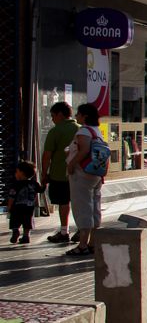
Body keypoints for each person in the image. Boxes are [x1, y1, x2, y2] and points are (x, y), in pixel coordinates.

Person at [65, 104, 108, 256]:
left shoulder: (84, 131)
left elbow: (83, 150)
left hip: (82, 173)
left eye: (78, 114)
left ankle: (82, 244)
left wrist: (71, 164)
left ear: (84, 116)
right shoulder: (97, 131)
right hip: (96, 173)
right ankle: (92, 243)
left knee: (82, 206)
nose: (76, 116)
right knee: (95, 207)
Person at [41, 101, 80, 244]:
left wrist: (44, 174)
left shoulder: (55, 131)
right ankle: (82, 229)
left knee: (64, 203)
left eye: (53, 116)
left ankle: (64, 231)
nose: (52, 119)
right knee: (78, 202)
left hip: (60, 175)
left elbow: (47, 155)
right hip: (80, 175)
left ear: (60, 114)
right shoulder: (81, 129)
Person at [9, 161, 43, 245]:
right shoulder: (34, 184)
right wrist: (45, 183)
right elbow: (41, 190)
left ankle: (15, 231)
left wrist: (9, 206)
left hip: (17, 208)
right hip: (29, 207)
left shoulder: (16, 184)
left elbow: (11, 196)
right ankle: (26, 236)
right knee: (27, 222)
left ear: (21, 173)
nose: (15, 174)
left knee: (14, 220)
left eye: (16, 172)